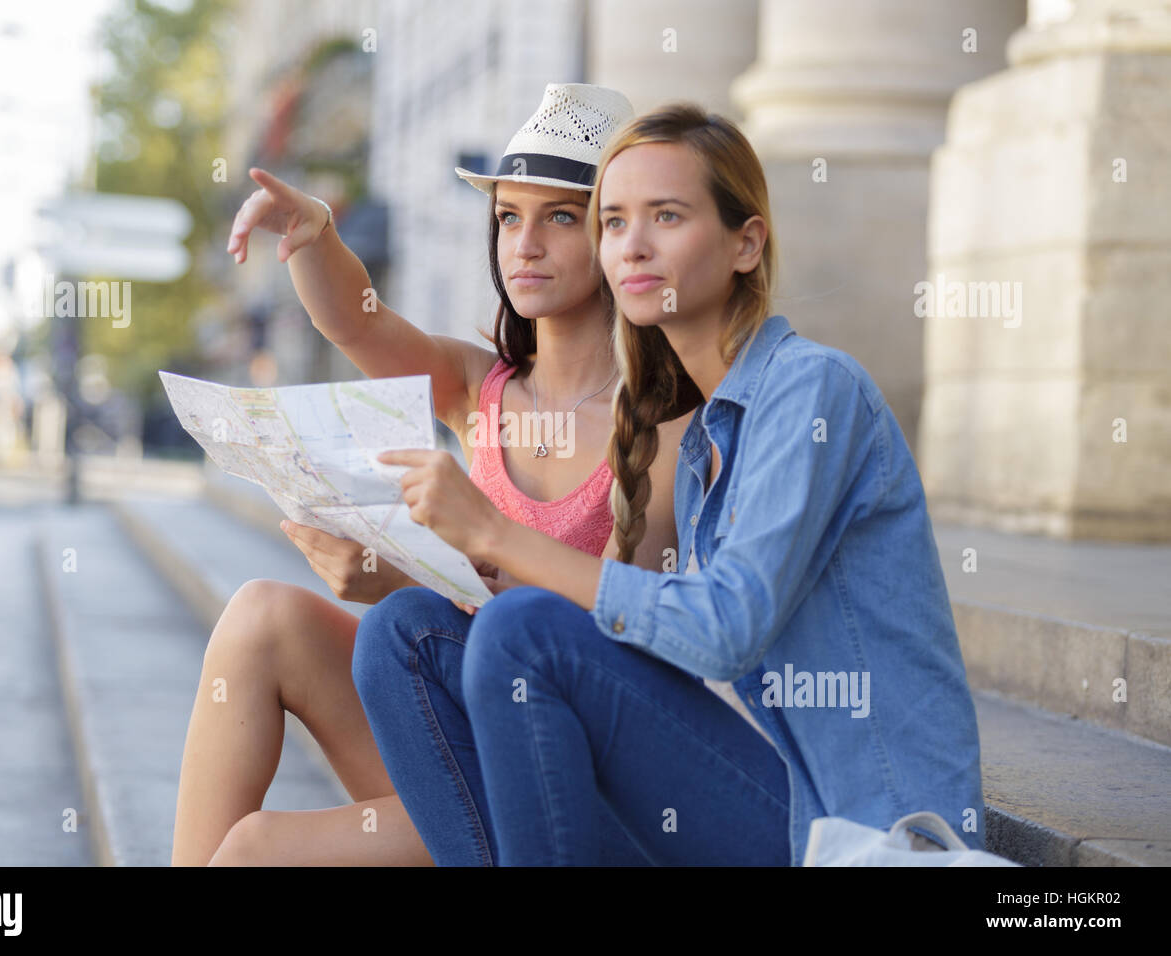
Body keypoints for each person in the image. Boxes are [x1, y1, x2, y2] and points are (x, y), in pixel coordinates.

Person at [353, 102, 986, 865]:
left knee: (522, 634)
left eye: (668, 216)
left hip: (868, 834)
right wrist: (476, 565)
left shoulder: (812, 390)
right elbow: (649, 650)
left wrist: (498, 534)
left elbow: (724, 629)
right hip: (783, 812)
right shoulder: (701, 441)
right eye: (613, 222)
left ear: (746, 243)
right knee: (406, 633)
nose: (634, 247)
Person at [170, 83, 689, 866]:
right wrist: (315, 235)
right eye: (509, 216)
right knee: (260, 618)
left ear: (618, 234)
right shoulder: (478, 387)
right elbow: (360, 322)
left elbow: (609, 647)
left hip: (553, 784)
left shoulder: (661, 428)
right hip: (443, 731)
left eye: (559, 217)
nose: (525, 244)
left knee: (254, 852)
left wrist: (406, 583)